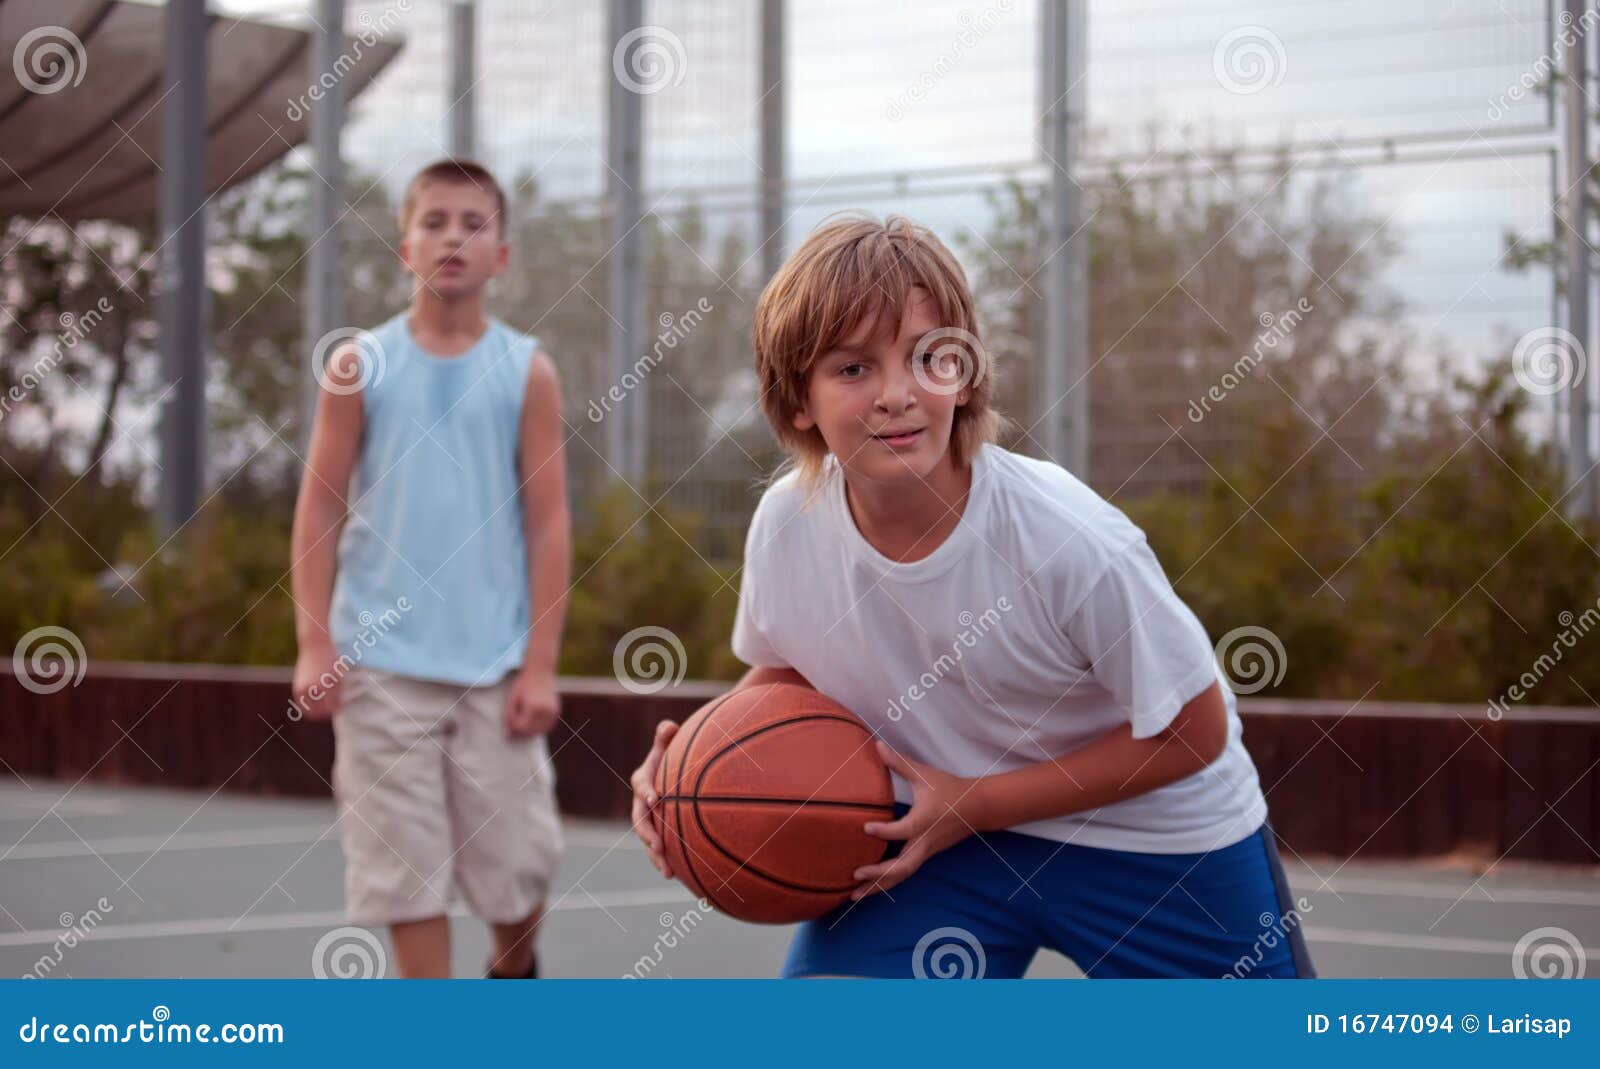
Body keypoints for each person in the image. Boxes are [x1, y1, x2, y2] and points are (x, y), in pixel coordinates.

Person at [629, 213, 1314, 979]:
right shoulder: (788, 523)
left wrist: (977, 803)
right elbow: (791, 675)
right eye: (853, 369)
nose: (898, 394)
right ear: (796, 400)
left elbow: (1194, 729)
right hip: (939, 838)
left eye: (929, 358)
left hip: (1149, 840)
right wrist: (686, 770)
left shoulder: (1067, 538)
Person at [290, 158, 569, 979]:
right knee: (406, 877)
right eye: (435, 221)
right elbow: (316, 509)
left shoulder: (529, 371)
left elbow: (549, 523)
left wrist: (542, 664)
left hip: (494, 668)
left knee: (518, 867)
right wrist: (314, 642)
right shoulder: (357, 365)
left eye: (474, 223)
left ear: (502, 256)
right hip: (377, 666)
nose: (454, 237)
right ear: (404, 248)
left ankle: (513, 969)